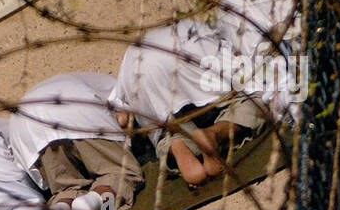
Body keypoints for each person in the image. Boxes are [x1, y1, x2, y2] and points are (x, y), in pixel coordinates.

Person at [110, 19, 265, 189]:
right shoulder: (217, 33)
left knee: (166, 130)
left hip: (141, 75)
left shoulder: (134, 49)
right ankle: (215, 133)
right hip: (184, 63)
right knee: (255, 101)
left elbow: (122, 117)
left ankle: (176, 145)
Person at [8, 71, 143, 210]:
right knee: (121, 173)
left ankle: (62, 208)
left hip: (26, 128)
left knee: (68, 187)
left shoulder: (82, 79)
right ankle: (98, 205)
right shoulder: (120, 87)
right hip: (76, 114)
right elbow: (123, 116)